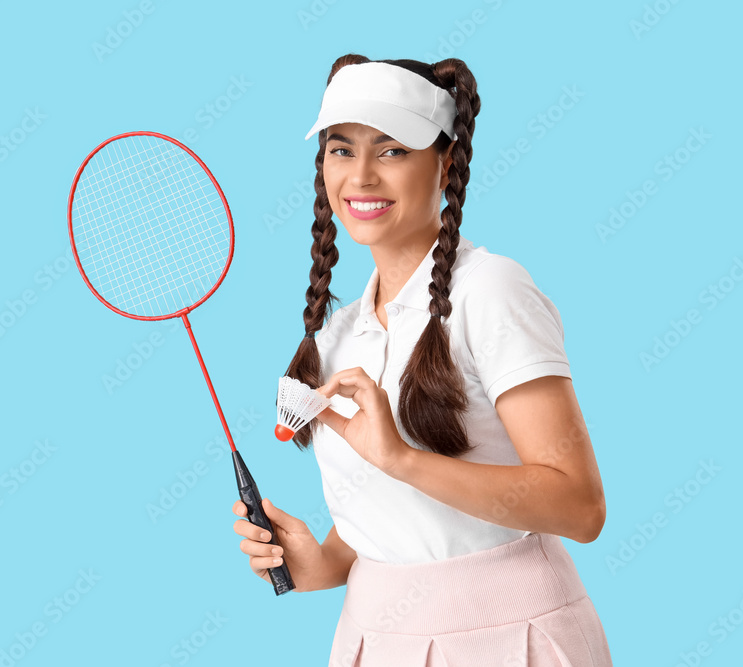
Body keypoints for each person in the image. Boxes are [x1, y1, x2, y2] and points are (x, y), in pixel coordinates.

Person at [232, 54, 614, 666]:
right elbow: (386, 533)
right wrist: (320, 562)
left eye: (391, 151)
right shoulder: (336, 338)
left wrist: (402, 459)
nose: (360, 176)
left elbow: (581, 506)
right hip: (373, 642)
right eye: (340, 149)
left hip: (509, 639)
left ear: (445, 164)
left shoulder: (491, 291)